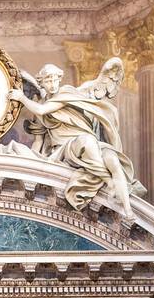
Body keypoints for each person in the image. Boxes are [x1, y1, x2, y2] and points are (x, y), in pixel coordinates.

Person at [10, 59, 144, 217]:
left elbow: (43, 109)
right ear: (42, 83)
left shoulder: (65, 92)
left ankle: (127, 210)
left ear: (60, 79)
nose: (52, 84)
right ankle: (108, 181)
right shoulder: (40, 105)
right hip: (65, 149)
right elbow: (39, 140)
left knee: (113, 160)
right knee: (86, 140)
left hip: (89, 143)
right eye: (48, 80)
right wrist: (33, 162)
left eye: (55, 79)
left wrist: (21, 98)